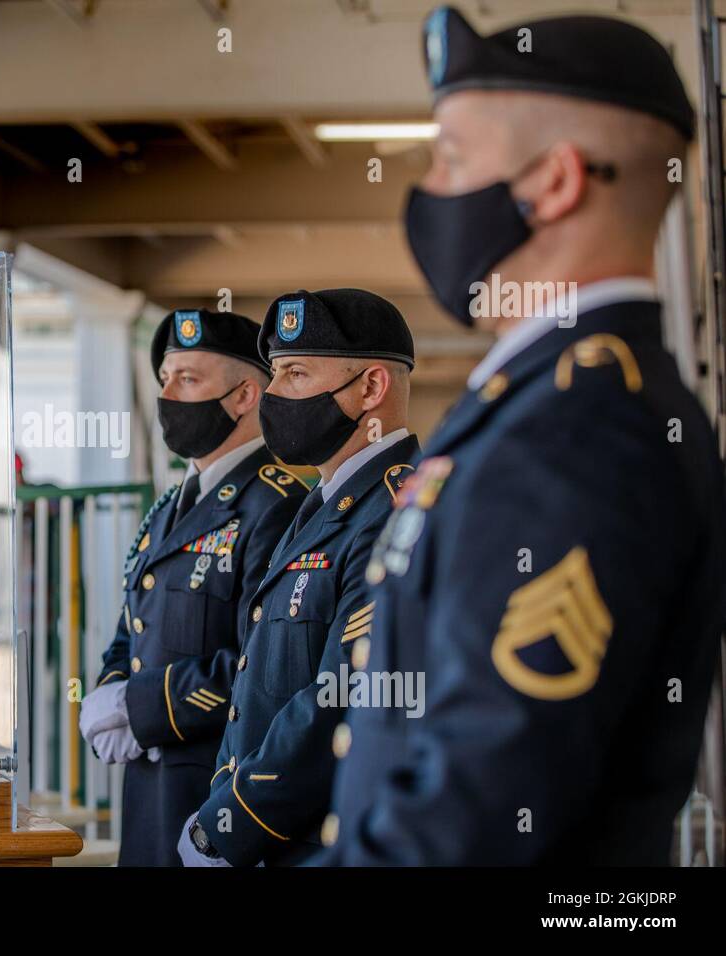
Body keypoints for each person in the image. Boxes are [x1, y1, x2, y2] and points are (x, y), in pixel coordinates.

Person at [316, 5, 726, 865]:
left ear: (554, 182)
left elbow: (478, 810)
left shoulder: (581, 430)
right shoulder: (546, 400)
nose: (432, 186)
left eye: (454, 157)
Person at [177, 289, 419, 867]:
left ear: (371, 388)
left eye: (295, 373)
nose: (275, 394)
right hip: (271, 834)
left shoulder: (393, 510)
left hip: (319, 842)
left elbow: (339, 698)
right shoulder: (324, 505)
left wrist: (230, 824)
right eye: (276, 372)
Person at [79, 307, 311, 866]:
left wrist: (143, 707)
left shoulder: (275, 506)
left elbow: (267, 664)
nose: (170, 396)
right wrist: (108, 693)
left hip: (212, 793)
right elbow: (132, 629)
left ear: (244, 396)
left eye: (189, 379)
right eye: (165, 380)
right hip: (147, 790)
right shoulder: (169, 508)